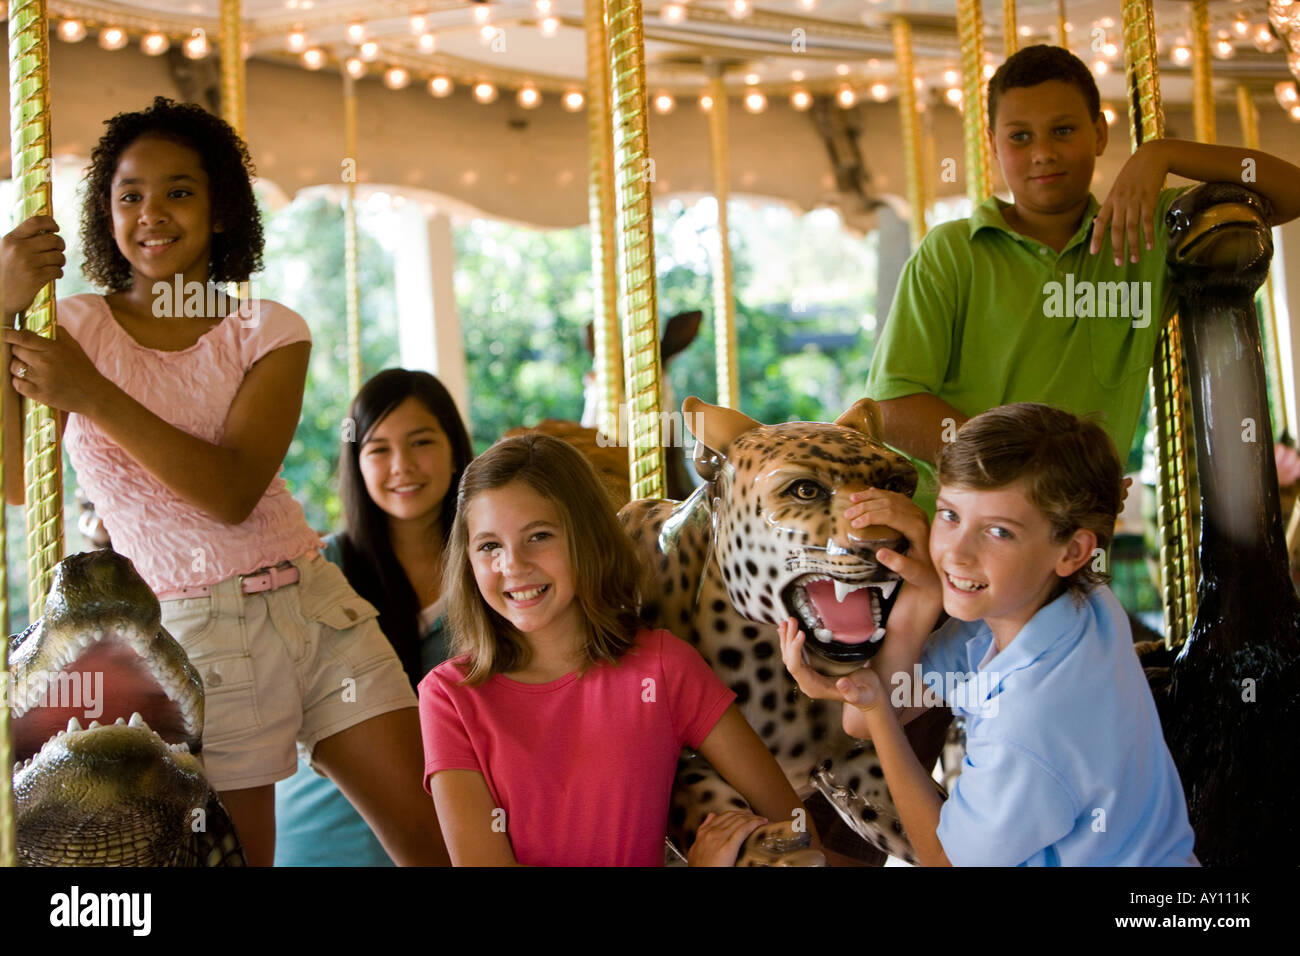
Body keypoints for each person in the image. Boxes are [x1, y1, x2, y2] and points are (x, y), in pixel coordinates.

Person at [0, 97, 447, 867]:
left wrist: (94, 394)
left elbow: (231, 488)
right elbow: (15, 480)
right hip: (198, 634)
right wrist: (2, 304)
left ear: (221, 210)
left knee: (433, 842)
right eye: (129, 195)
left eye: (179, 191)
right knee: (241, 862)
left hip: (317, 609)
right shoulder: (70, 328)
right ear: (105, 212)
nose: (151, 214)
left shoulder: (267, 331)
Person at [866, 45, 1300, 515]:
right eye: (1020, 137)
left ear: (1099, 132)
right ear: (992, 143)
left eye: (1063, 130)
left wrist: (1163, 153)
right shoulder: (952, 251)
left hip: (1072, 540)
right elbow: (894, 404)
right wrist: (1040, 479)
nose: (1043, 153)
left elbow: (1289, 192)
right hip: (952, 536)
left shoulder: (1147, 231)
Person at [780, 403, 1198, 866]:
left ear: (1073, 550)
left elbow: (944, 859)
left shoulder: (1030, 721)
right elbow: (873, 710)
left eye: (999, 531)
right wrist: (925, 596)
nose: (956, 553)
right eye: (949, 515)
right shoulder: (1075, 605)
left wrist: (878, 712)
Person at [419, 433, 813, 866]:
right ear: (469, 558)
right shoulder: (450, 697)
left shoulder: (662, 668)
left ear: (588, 538)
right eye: (490, 546)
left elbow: (796, 824)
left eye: (539, 536)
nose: (512, 564)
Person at [275, 368, 473, 866]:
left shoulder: (494, 564)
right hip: (327, 832)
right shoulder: (320, 569)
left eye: (421, 441)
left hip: (459, 827)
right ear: (357, 462)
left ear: (455, 449)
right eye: (379, 449)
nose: (402, 465)